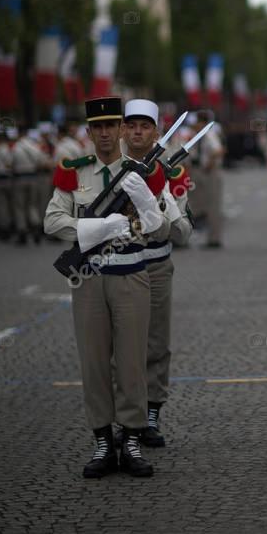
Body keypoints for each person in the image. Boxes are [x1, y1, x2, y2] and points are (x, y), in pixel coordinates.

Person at [44, 96, 171, 479]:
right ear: (89, 131)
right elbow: (52, 221)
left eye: (110, 126)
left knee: (132, 361)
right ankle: (102, 440)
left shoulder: (143, 172)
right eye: (96, 127)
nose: (104, 133)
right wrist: (94, 229)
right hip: (88, 278)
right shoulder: (74, 172)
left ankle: (131, 439)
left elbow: (163, 228)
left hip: (131, 274)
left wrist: (146, 203)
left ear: (120, 129)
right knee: (94, 361)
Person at [122, 99, 192, 447]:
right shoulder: (109, 169)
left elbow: (185, 231)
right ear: (123, 129)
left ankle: (151, 411)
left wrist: (163, 213)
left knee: (155, 342)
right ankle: (123, 415)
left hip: (156, 264)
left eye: (145, 126)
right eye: (131, 125)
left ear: (155, 132)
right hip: (118, 264)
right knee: (120, 345)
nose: (137, 132)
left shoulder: (172, 173)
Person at [190, 110, 226, 248]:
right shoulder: (201, 135)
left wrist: (209, 163)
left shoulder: (209, 134)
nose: (195, 125)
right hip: (203, 171)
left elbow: (219, 150)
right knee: (204, 204)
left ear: (201, 122)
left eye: (197, 122)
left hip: (211, 172)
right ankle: (211, 237)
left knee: (213, 206)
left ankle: (214, 239)